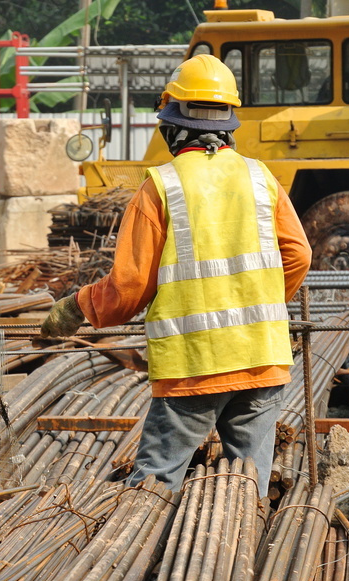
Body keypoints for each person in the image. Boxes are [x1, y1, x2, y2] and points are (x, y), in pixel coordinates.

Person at [40, 54, 312, 494]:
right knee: (250, 481)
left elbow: (129, 288)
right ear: (228, 122)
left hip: (194, 368)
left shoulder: (161, 187)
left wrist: (75, 308)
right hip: (263, 359)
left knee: (155, 484)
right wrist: (258, 303)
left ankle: (141, 558)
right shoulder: (261, 178)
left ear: (171, 125)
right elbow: (298, 254)